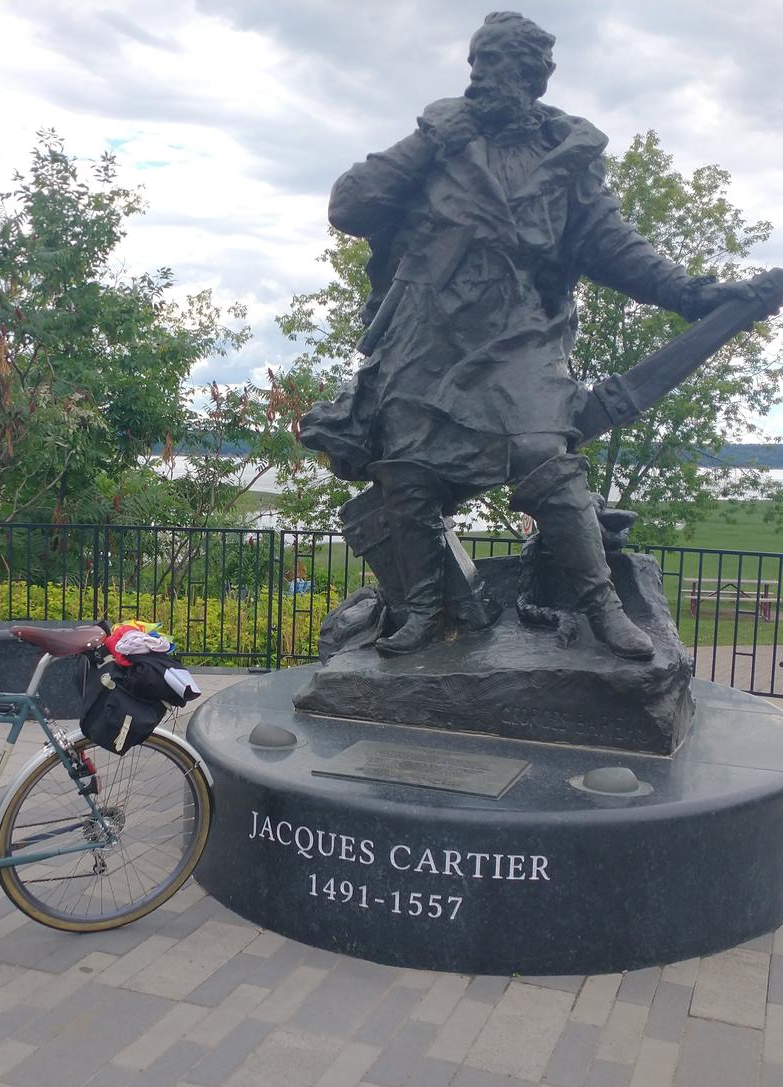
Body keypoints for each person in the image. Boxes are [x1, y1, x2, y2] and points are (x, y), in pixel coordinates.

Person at [301, 12, 759, 658]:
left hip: (521, 340)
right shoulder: (438, 141)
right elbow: (348, 204)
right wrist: (428, 145)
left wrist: (690, 295)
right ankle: (426, 612)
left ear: (530, 78)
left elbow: (615, 247)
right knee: (404, 470)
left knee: (548, 455)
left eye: (493, 65)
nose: (478, 76)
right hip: (427, 344)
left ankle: (603, 607)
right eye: (475, 63)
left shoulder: (567, 160)